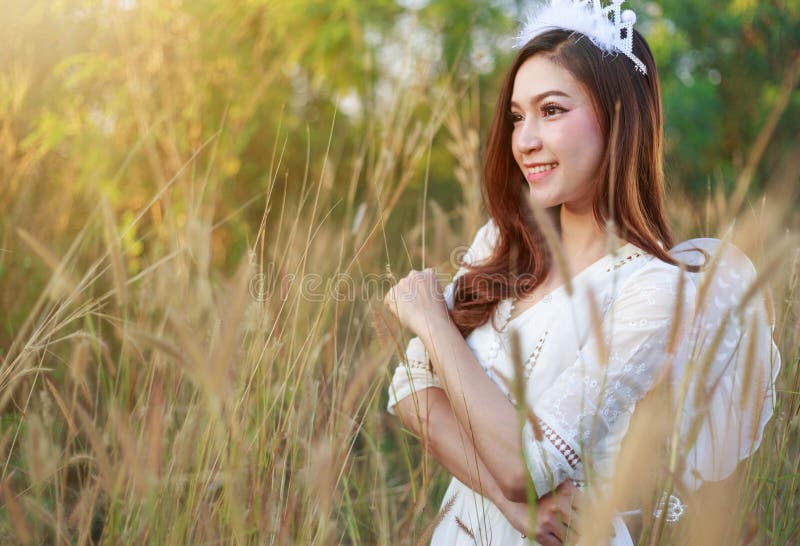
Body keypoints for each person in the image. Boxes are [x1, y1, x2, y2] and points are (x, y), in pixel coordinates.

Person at [383, 1, 780, 544]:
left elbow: (529, 466)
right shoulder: (503, 243)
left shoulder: (654, 290)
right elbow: (409, 394)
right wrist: (511, 506)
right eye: (518, 116)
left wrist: (430, 321)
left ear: (619, 115)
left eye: (551, 110)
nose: (524, 140)